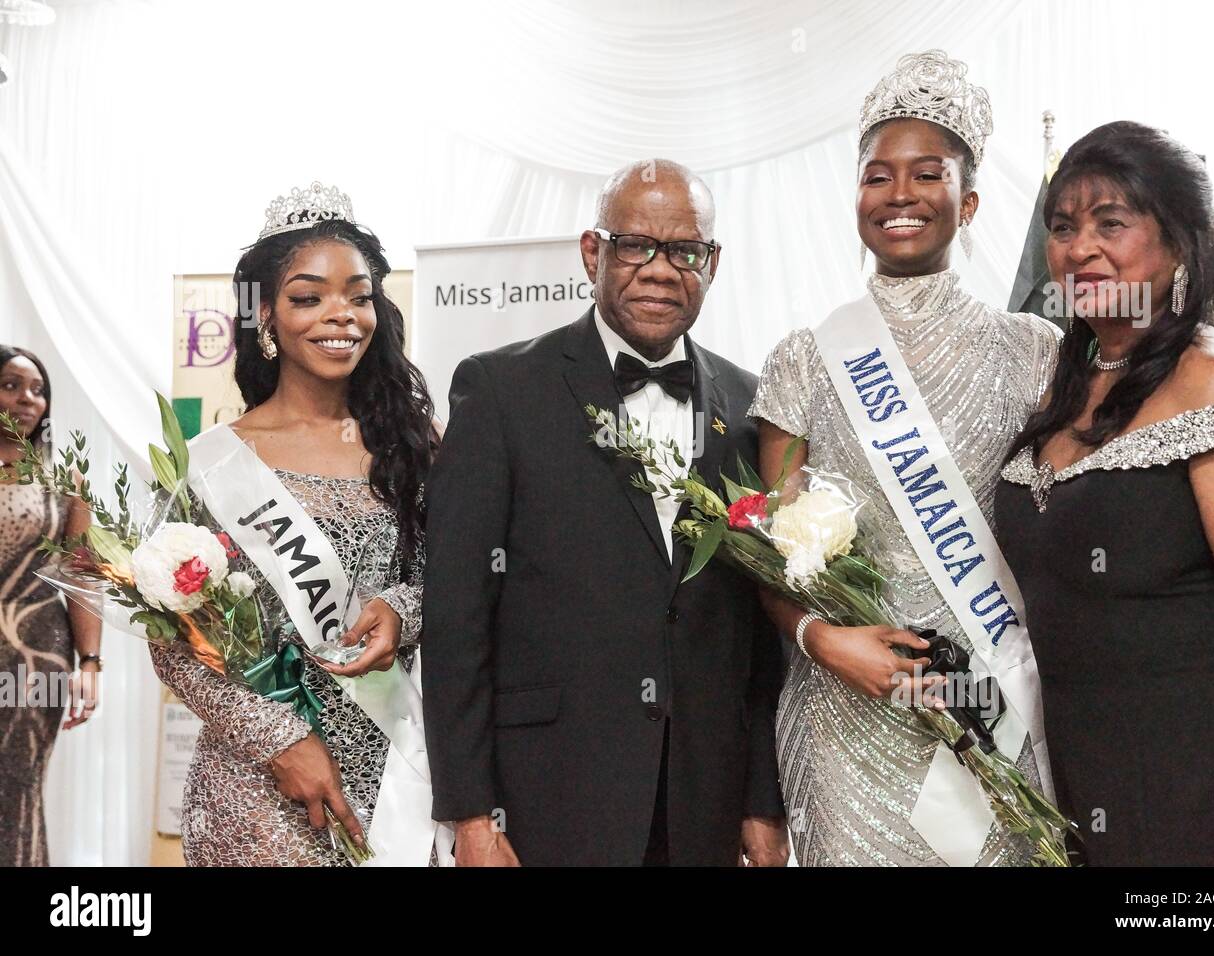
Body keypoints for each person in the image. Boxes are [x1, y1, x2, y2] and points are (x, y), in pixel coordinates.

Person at [423, 159, 787, 866]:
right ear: (593, 252)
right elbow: (456, 615)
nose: (659, 269)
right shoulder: (500, 390)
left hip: (703, 809)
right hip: (544, 799)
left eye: (684, 251)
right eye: (635, 244)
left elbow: (761, 640)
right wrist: (468, 811)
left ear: (712, 264)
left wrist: (762, 799)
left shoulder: (752, 407)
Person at [750, 50, 1062, 866]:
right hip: (847, 715)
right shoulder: (805, 359)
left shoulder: (1033, 351)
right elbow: (767, 555)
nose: (899, 196)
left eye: (927, 174)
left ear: (969, 200)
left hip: (993, 705)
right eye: (877, 175)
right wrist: (823, 640)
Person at [995, 121, 1214, 866]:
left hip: (1199, 795)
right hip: (1075, 795)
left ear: (1180, 244)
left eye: (1112, 222)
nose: (1079, 248)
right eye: (1063, 227)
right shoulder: (1066, 384)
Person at [150, 183, 443, 865]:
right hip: (258, 790)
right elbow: (170, 637)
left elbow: (456, 578)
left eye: (359, 294)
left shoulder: (418, 446)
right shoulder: (211, 463)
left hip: (401, 775)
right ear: (266, 318)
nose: (339, 315)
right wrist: (278, 740)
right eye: (308, 297)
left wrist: (402, 608)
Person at [0, 345, 101, 866]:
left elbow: (84, 577)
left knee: (19, 784)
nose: (28, 400)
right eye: (12, 385)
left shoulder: (65, 480)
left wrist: (91, 664)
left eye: (38, 390)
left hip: (35, 653)